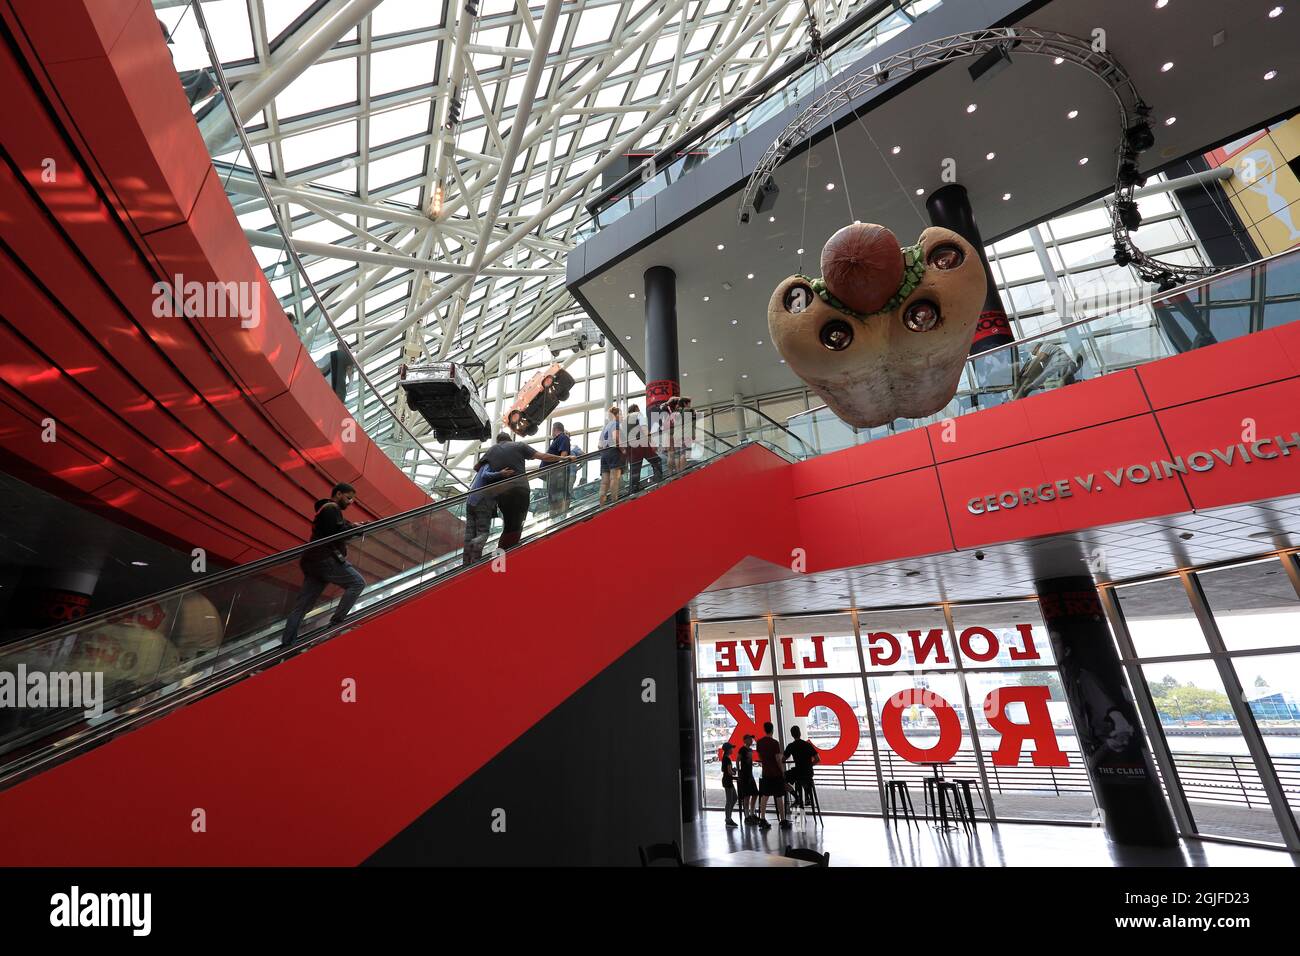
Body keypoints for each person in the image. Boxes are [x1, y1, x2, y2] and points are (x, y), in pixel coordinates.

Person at [283, 483, 365, 646]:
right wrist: (354, 529)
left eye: (353, 500)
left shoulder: (325, 509)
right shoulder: (332, 508)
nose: (350, 502)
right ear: (339, 494)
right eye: (349, 498)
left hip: (312, 561)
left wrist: (352, 527)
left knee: (302, 606)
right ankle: (337, 622)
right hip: (325, 559)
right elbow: (339, 533)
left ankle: (287, 644)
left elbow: (335, 529)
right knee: (357, 583)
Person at [481, 432, 565, 549]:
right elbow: (543, 456)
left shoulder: (491, 451)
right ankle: (506, 553)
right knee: (516, 525)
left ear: (498, 441)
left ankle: (504, 553)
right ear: (510, 439)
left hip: (502, 493)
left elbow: (478, 468)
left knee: (509, 524)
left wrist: (498, 474)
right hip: (521, 490)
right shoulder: (519, 445)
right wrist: (563, 458)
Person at [463, 458, 515, 565]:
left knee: (469, 533)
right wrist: (501, 473)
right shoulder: (493, 463)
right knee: (483, 533)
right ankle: (475, 562)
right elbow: (485, 475)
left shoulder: (485, 464)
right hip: (482, 502)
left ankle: (466, 563)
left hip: (471, 501)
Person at [755, 721, 789, 829]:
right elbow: (778, 759)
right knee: (779, 796)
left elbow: (760, 758)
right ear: (772, 730)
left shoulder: (759, 742)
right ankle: (783, 820)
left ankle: (762, 818)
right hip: (776, 774)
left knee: (765, 796)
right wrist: (782, 771)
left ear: (764, 730)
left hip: (766, 773)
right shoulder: (775, 743)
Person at [624, 403, 664, 494]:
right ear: (636, 409)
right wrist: (652, 442)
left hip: (629, 447)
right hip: (641, 444)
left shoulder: (624, 420)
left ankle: (633, 492)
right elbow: (644, 429)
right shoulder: (638, 415)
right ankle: (658, 483)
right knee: (657, 461)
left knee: (634, 470)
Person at [784, 725, 821, 809]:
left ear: (792, 735)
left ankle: (797, 798)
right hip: (809, 772)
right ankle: (807, 797)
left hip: (798, 773)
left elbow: (783, 758)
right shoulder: (807, 745)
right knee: (804, 779)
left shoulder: (791, 746)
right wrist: (809, 765)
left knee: (782, 778)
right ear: (800, 733)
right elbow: (818, 759)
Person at [542, 421, 573, 520]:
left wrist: (558, 472)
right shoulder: (558, 440)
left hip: (557, 475)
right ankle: (555, 518)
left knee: (558, 496)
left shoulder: (563, 437)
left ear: (554, 429)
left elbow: (563, 455)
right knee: (553, 497)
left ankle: (559, 518)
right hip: (553, 475)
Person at [597, 405, 624, 505]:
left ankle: (602, 505)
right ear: (616, 415)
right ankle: (614, 503)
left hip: (604, 454)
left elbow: (599, 445)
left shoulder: (605, 427)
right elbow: (615, 437)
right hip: (613, 452)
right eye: (620, 414)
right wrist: (623, 449)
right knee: (614, 478)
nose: (622, 417)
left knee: (604, 482)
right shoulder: (615, 424)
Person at [737, 734, 760, 823]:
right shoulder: (742, 749)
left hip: (750, 775)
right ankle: (747, 816)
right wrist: (739, 772)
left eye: (751, 739)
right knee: (747, 796)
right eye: (749, 739)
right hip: (745, 776)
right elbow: (738, 759)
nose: (751, 740)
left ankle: (752, 813)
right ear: (745, 740)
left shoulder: (750, 750)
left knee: (755, 793)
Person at [720, 741, 739, 827]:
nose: (732, 749)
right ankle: (728, 819)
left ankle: (728, 817)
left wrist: (732, 771)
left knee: (734, 798)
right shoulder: (727, 759)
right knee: (730, 800)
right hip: (728, 781)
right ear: (728, 750)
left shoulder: (725, 757)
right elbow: (729, 771)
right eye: (731, 748)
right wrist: (734, 772)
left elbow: (724, 770)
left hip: (727, 780)